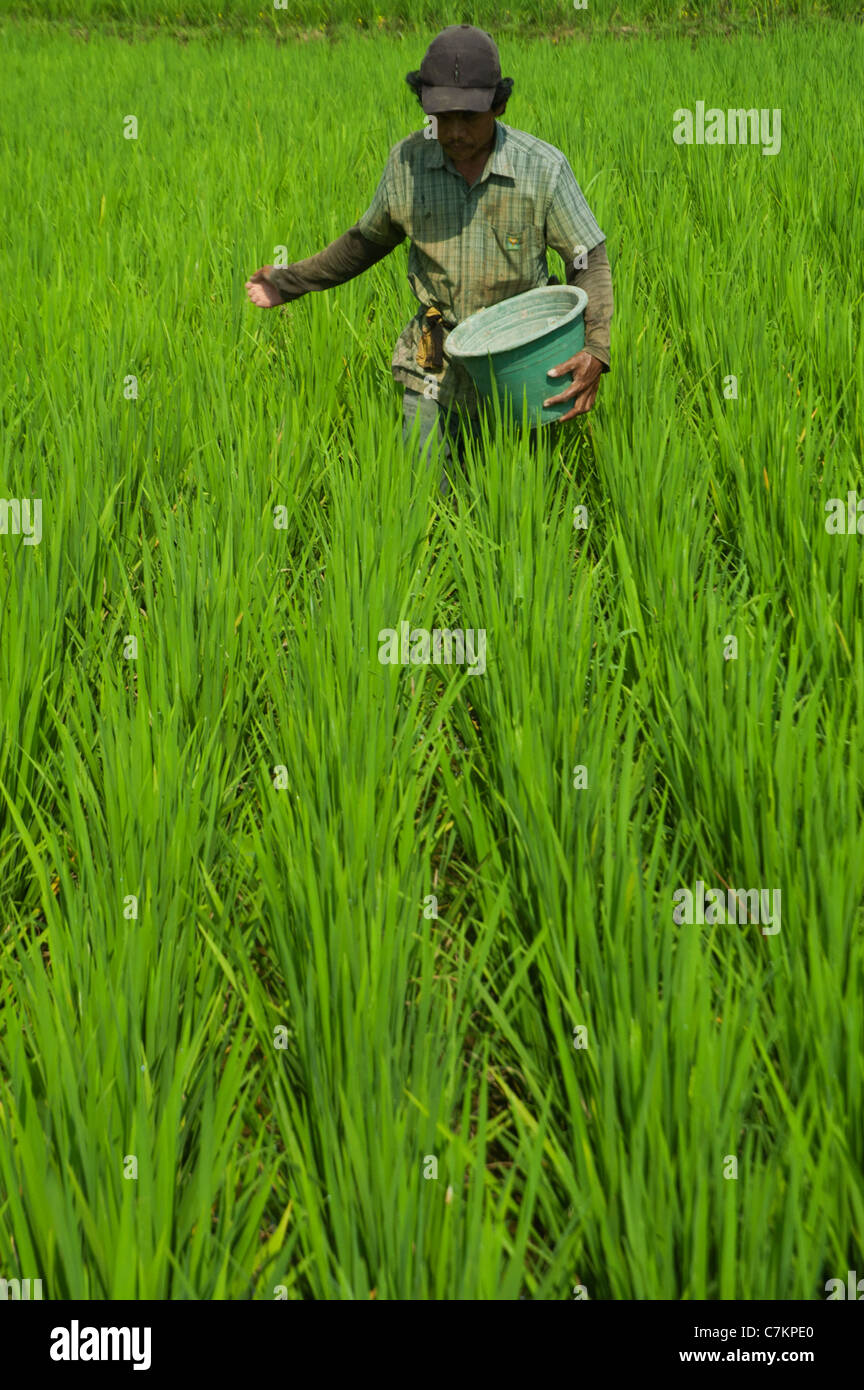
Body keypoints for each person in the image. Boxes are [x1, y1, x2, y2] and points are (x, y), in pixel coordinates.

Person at [246, 25, 613, 486]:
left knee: (515, 491)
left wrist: (596, 349)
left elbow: (587, 260)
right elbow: (365, 243)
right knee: (421, 488)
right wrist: (289, 281)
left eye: (469, 116)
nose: (455, 131)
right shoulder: (408, 165)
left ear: (499, 105)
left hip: (514, 358)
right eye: (442, 116)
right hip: (434, 351)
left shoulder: (541, 168)